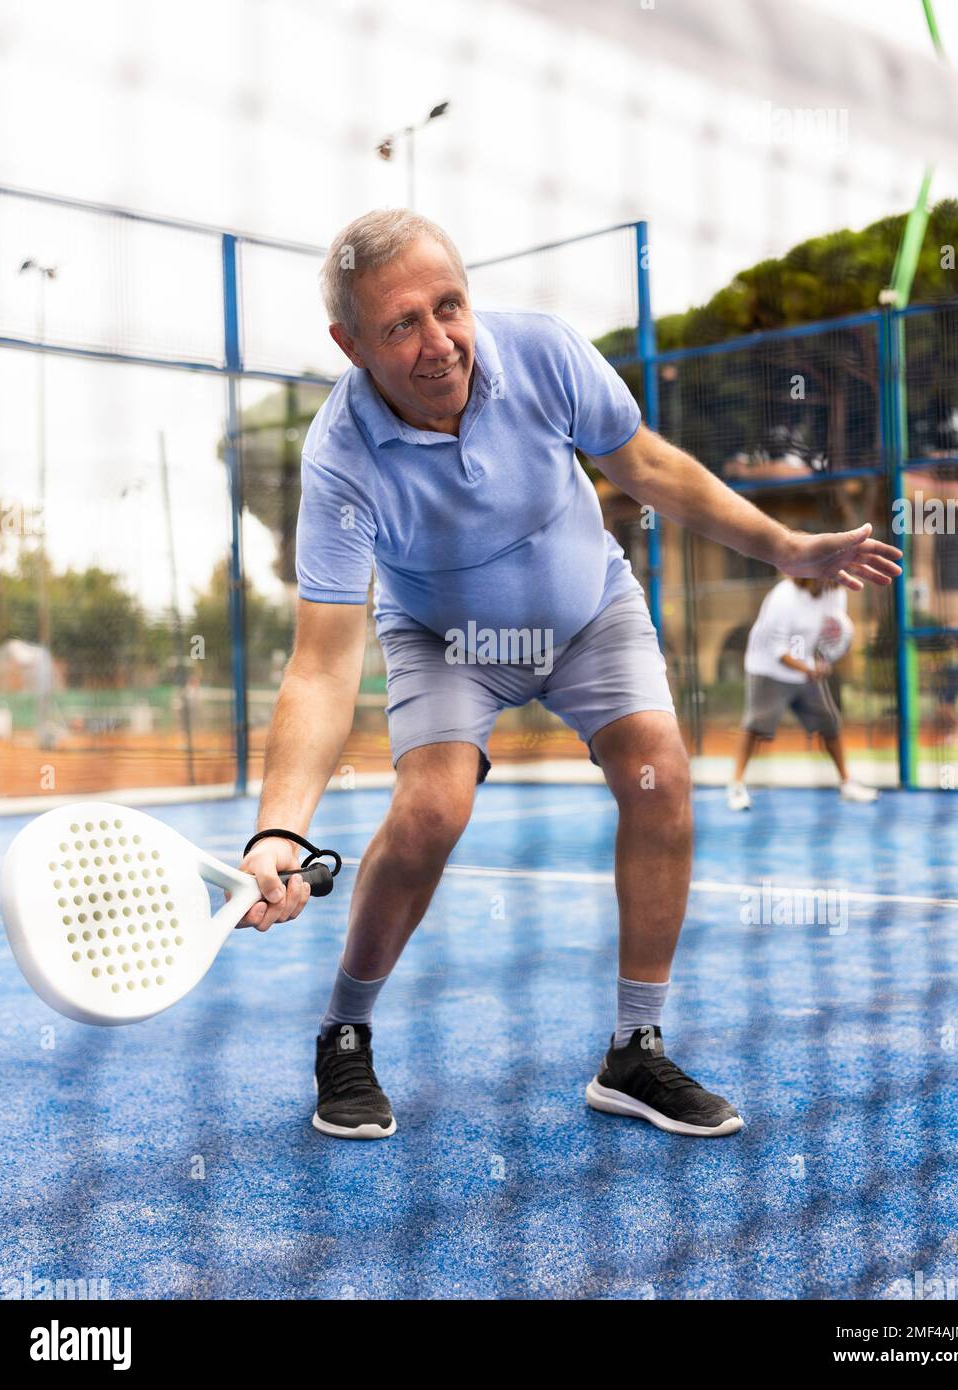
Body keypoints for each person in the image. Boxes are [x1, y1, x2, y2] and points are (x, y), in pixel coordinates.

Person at [236, 209, 901, 1141]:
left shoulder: (543, 352)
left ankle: (635, 1049)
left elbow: (652, 468)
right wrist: (279, 830)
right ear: (349, 345)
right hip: (445, 638)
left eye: (449, 306)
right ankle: (346, 1031)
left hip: (589, 609)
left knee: (660, 773)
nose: (438, 343)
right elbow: (322, 661)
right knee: (431, 811)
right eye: (401, 325)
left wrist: (786, 547)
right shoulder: (342, 457)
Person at [728, 577, 877, 810]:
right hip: (768, 667)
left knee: (830, 723)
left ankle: (847, 784)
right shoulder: (783, 597)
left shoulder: (835, 593)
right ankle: (736, 786)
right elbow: (777, 648)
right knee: (756, 726)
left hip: (804, 668)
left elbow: (829, 634)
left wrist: (821, 662)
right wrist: (807, 669)